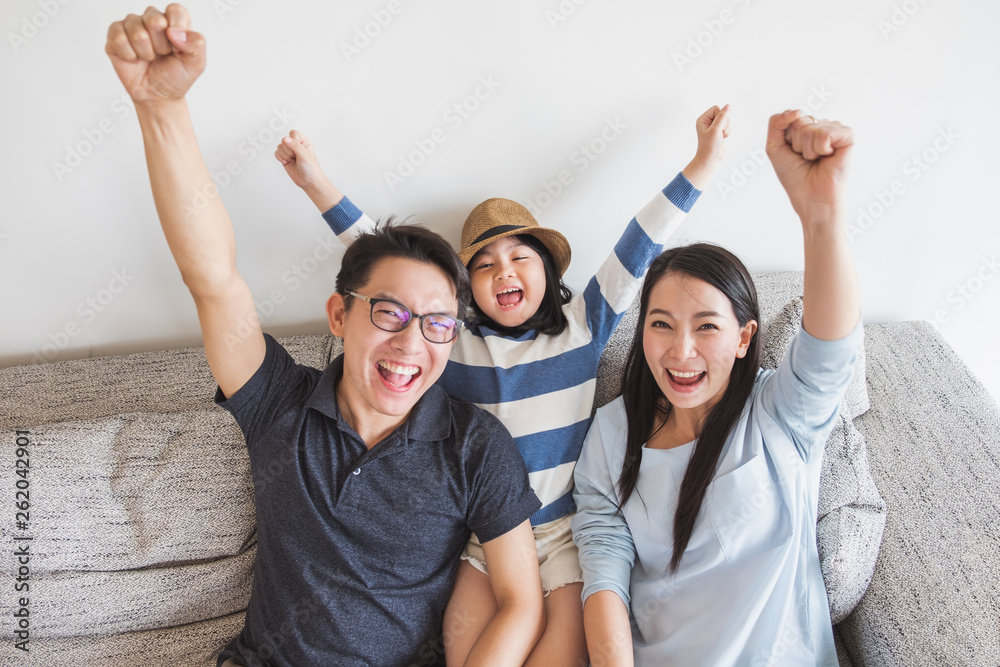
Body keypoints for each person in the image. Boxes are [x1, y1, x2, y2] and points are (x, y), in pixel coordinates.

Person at [104, 6, 545, 666]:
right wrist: (161, 110)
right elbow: (215, 281)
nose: (410, 344)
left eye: (437, 324)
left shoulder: (476, 446)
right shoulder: (278, 402)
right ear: (339, 315)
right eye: (390, 313)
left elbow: (520, 599)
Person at [274, 105, 730, 664]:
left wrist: (702, 164)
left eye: (520, 256)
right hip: (482, 543)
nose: (504, 271)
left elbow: (640, 245)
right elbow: (384, 260)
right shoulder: (451, 340)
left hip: (565, 539)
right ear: (464, 295)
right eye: (484, 266)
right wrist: (315, 182)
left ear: (548, 272)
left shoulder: (585, 327)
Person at [571, 109, 861, 666]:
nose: (681, 352)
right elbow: (604, 576)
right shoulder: (611, 434)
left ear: (744, 338)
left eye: (706, 326)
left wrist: (821, 217)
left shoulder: (780, 414)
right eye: (661, 325)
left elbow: (830, 353)